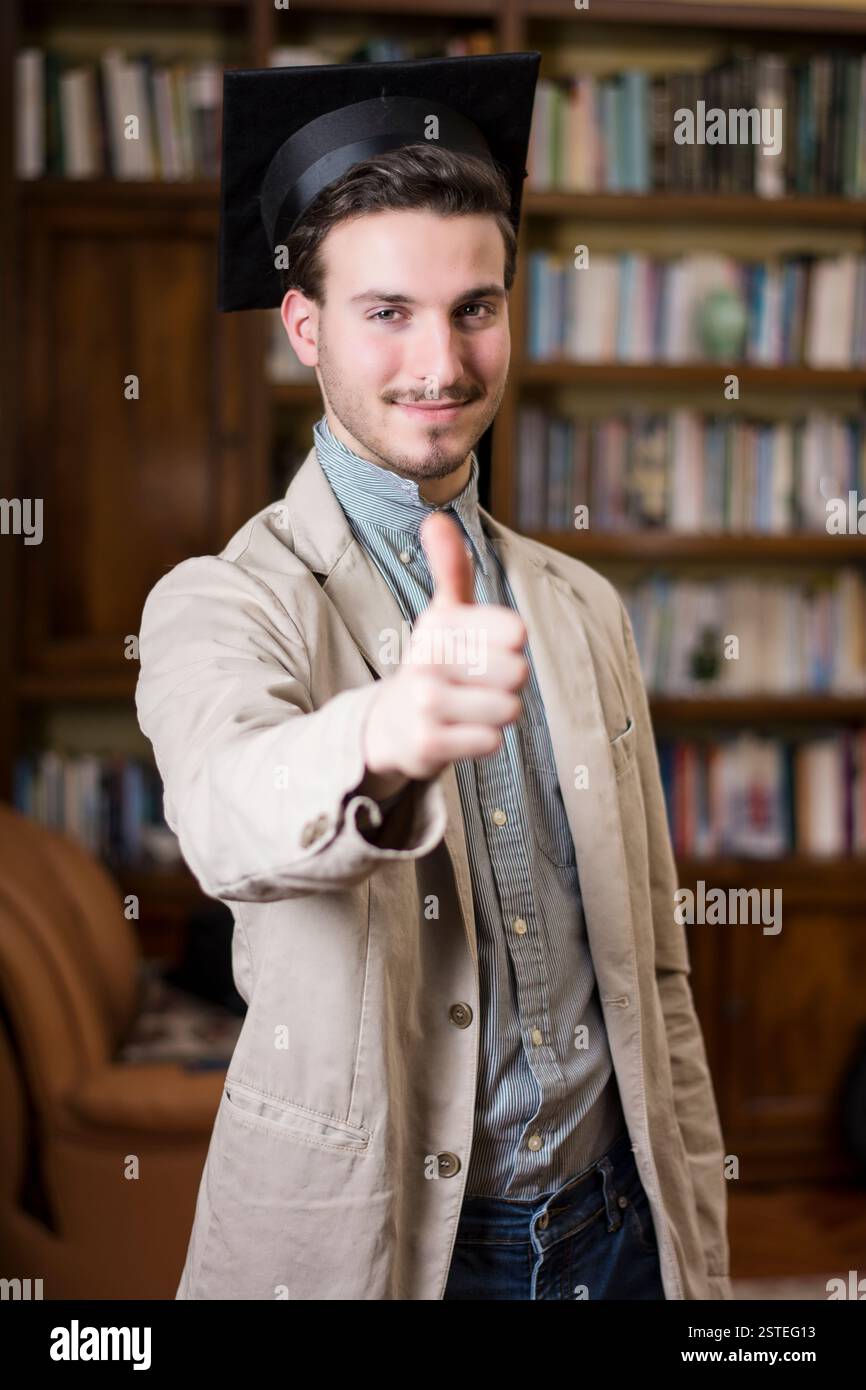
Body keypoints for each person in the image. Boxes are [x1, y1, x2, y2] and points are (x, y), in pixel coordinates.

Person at [135, 52, 732, 1301]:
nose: (442, 362)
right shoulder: (222, 600)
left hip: (621, 1230)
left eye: (475, 307)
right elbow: (228, 814)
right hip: (386, 1251)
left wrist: (695, 1242)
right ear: (304, 328)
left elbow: (653, 965)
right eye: (386, 311)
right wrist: (384, 740)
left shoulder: (582, 605)